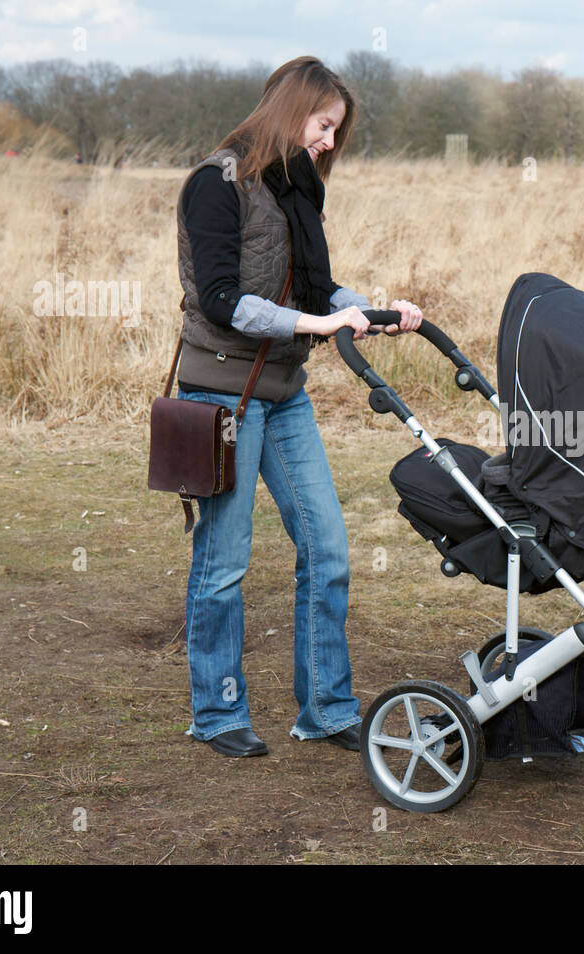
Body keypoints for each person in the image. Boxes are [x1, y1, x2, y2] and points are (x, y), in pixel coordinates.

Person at [173, 56, 422, 757]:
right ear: (292, 110)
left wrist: (370, 309)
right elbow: (222, 300)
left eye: (337, 131)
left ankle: (328, 708)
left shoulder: (297, 188)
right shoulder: (214, 183)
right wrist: (319, 327)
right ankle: (217, 716)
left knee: (328, 549)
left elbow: (316, 289)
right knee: (223, 562)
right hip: (221, 393)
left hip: (282, 396)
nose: (329, 141)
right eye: (323, 124)